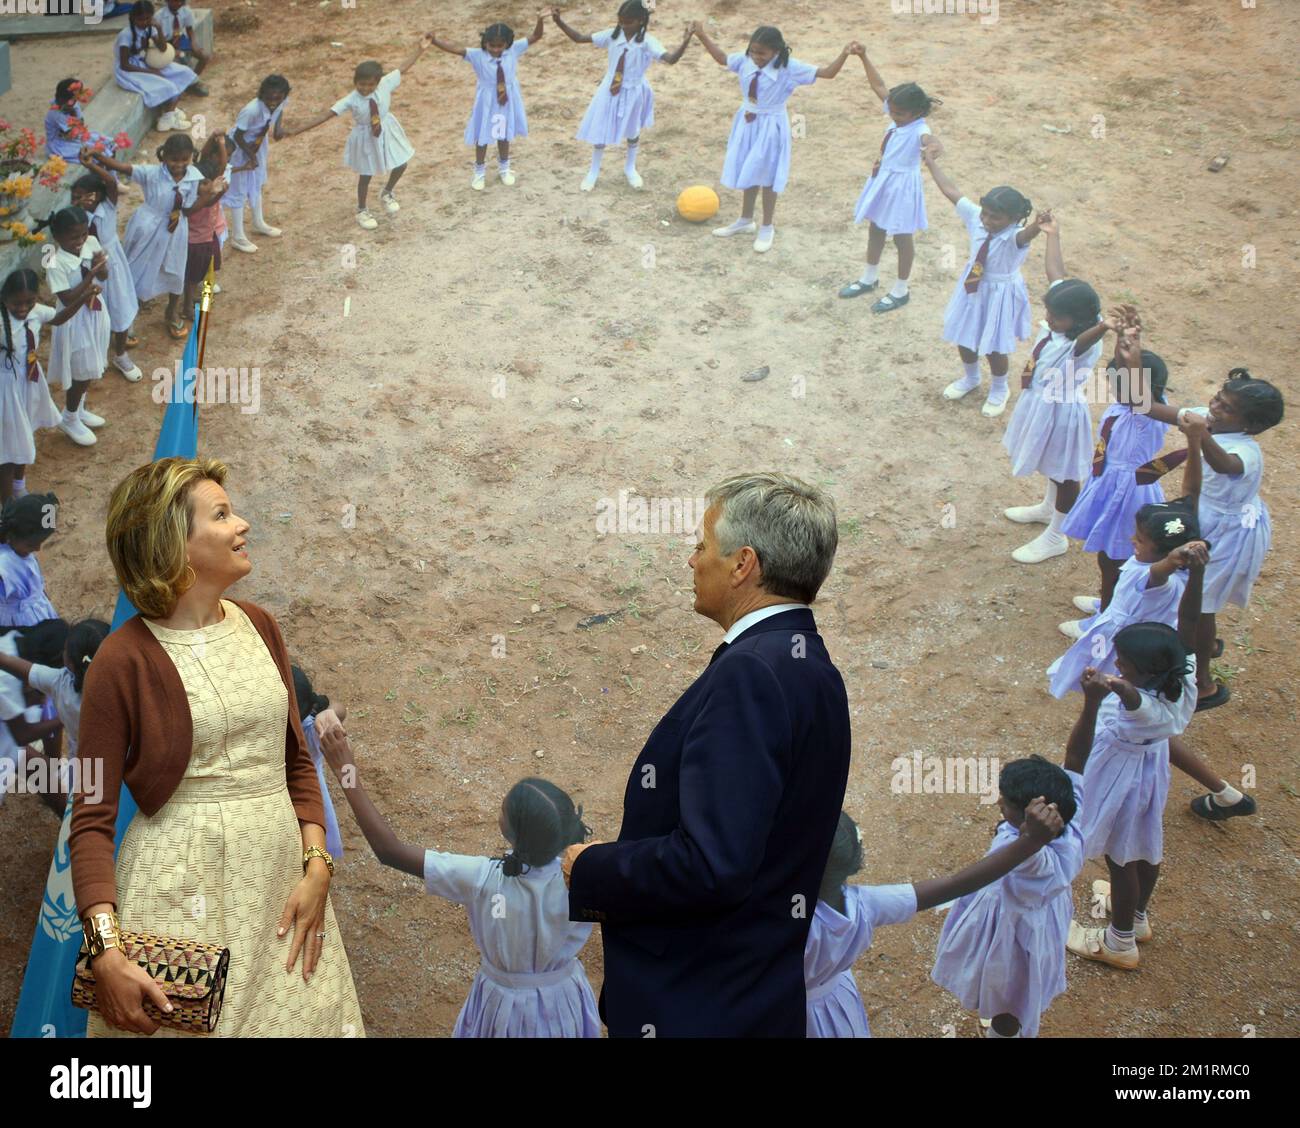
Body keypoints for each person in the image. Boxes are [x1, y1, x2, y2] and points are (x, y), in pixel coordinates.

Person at [69, 457, 365, 1037]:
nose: (243, 524)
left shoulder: (261, 625)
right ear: (171, 544)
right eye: (222, 514)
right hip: (174, 898)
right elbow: (92, 820)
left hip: (285, 896)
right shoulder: (119, 659)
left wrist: (318, 866)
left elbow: (295, 765)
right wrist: (106, 952)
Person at [565, 472, 850, 1036]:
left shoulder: (751, 675)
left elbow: (712, 866)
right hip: (752, 996)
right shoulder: (813, 667)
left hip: (699, 1006)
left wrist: (593, 867)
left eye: (702, 545)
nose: (692, 561)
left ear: (743, 564)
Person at [321, 721, 601, 1038]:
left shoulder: (483, 879)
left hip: (502, 1009)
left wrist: (346, 771)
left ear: (513, 835)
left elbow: (389, 851)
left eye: (503, 809)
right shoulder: (586, 875)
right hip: (563, 1004)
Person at [806, 802, 1064, 1037]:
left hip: (784, 1010)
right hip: (834, 1006)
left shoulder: (779, 922)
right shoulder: (864, 904)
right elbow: (955, 884)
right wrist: (1029, 842)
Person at [1066, 542, 1205, 970]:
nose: (1118, 666)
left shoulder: (1134, 708)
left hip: (1120, 772)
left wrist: (1098, 695)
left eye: (1122, 664)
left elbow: (1096, 735)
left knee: (1121, 856)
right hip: (1151, 769)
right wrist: (1194, 576)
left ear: (1138, 676)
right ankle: (1138, 916)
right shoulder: (1182, 678)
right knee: (1146, 844)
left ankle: (1120, 940)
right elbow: (1189, 624)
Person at [1000, 216, 1109, 563]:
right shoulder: (1068, 317)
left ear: (1078, 321)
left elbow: (1087, 339)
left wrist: (1107, 325)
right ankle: (1048, 509)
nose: (1048, 317)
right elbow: (1056, 273)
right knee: (1050, 464)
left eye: (1055, 315)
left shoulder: (1083, 342)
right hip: (1040, 403)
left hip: (1061, 412)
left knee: (1065, 474)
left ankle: (1057, 535)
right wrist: (1053, 236)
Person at [695, 25, 853, 253]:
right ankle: (745, 219)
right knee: (748, 168)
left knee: (768, 175)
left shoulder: (789, 68)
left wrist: (845, 53)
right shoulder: (745, 60)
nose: (757, 57)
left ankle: (767, 226)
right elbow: (721, 58)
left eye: (762, 53)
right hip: (747, 121)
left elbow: (827, 73)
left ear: (776, 52)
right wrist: (701, 35)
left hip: (771, 125)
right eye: (753, 51)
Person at [922, 138, 1046, 416]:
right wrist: (931, 163)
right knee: (964, 336)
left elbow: (1027, 234)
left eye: (996, 218)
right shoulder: (977, 217)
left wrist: (1038, 225)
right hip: (972, 287)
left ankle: (1000, 387)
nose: (988, 221)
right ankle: (971, 377)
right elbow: (951, 191)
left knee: (993, 345)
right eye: (986, 215)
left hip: (999, 292)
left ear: (1014, 218)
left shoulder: (1015, 236)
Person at [283, 34, 434, 231]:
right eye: (361, 84)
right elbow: (325, 116)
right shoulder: (351, 99)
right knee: (366, 174)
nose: (365, 88)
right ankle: (362, 209)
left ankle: (386, 192)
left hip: (387, 128)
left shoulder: (386, 83)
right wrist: (295, 130)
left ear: (378, 82)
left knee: (401, 163)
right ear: (355, 82)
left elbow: (404, 67)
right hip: (365, 138)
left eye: (370, 85)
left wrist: (420, 49)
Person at [838, 47, 940, 313]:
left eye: (898, 114)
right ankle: (869, 278)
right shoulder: (899, 114)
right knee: (876, 228)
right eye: (891, 111)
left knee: (902, 237)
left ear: (917, 112)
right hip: (883, 180)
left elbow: (930, 141)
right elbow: (879, 84)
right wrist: (863, 57)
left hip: (903, 187)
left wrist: (932, 150)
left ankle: (900, 290)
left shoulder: (920, 128)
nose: (892, 115)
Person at [552, 3, 692, 193]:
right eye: (621, 21)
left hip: (634, 90)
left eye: (629, 22)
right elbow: (579, 38)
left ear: (641, 21)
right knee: (601, 128)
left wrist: (685, 42)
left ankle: (630, 168)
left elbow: (670, 59)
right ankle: (593, 171)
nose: (624, 25)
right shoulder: (612, 35)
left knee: (632, 130)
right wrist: (559, 22)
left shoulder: (647, 42)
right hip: (610, 89)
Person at [0, 270, 97, 500]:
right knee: (8, 450)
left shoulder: (36, 312)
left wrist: (84, 298)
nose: (23, 308)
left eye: (29, 301)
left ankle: (18, 485)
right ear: (4, 298)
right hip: (6, 390)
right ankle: (7, 507)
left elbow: (59, 317)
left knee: (27, 432)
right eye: (16, 303)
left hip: (29, 382)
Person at [431, 15, 547, 190]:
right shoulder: (477, 55)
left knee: (504, 133)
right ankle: (479, 171)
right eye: (491, 45)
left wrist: (540, 19)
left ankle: (504, 168)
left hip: (508, 98)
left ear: (507, 43)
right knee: (483, 134)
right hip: (486, 100)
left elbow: (536, 36)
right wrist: (434, 41)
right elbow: (455, 49)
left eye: (500, 46)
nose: (495, 49)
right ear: (485, 42)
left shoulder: (514, 50)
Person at [33, 208, 110, 446]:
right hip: (72, 318)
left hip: (94, 311)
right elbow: (66, 298)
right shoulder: (51, 258)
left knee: (91, 364)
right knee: (81, 368)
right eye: (73, 237)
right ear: (57, 237)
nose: (80, 241)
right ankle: (69, 417)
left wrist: (101, 266)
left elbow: (104, 276)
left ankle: (78, 408)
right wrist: (90, 278)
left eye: (83, 234)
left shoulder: (91, 241)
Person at [71, 157, 144, 380]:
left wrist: (91, 165)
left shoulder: (107, 206)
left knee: (120, 307)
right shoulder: (76, 216)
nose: (77, 200)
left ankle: (120, 355)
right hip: (87, 269)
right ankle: (96, 355)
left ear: (98, 195)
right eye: (74, 196)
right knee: (93, 313)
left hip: (112, 264)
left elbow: (111, 183)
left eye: (83, 195)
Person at [112, 0, 198, 133]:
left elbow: (163, 48)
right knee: (169, 86)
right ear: (133, 18)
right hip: (129, 70)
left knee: (184, 72)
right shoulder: (126, 35)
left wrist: (158, 28)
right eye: (141, 19)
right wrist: (150, 71)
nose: (145, 22)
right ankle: (166, 120)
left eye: (148, 18)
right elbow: (124, 65)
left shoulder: (149, 29)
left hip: (143, 63)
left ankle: (170, 112)